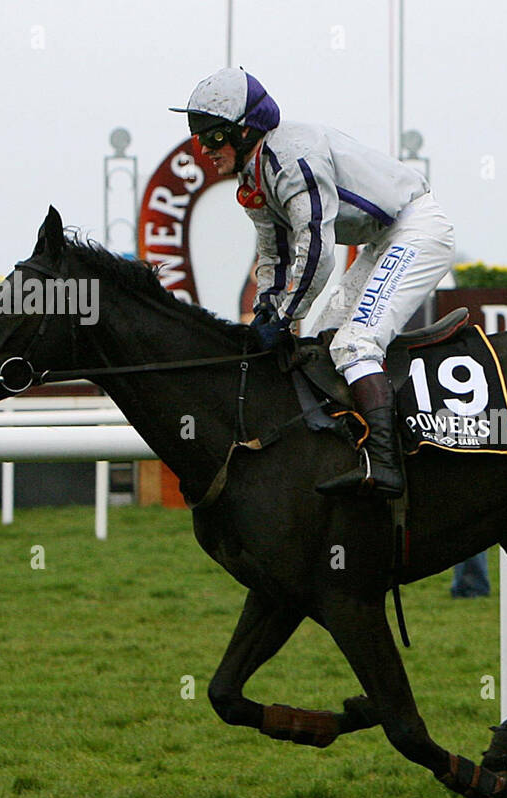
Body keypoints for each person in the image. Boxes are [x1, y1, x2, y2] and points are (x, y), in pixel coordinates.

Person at [171, 67, 455, 498]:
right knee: (326, 340)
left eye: (212, 137)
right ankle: (349, 450)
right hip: (382, 238)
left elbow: (317, 251)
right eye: (198, 139)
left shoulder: (292, 158)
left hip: (417, 229)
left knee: (353, 344)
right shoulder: (253, 177)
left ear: (245, 131)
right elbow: (275, 255)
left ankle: (386, 464)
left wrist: (284, 317)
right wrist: (267, 308)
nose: (204, 150)